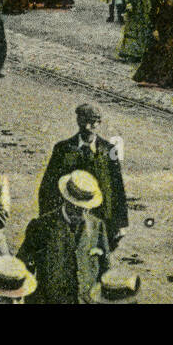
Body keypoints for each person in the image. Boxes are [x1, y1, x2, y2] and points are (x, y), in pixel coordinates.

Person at [37, 103, 129, 248]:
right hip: (68, 220)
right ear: (78, 121)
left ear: (99, 124)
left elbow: (117, 188)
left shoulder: (109, 150)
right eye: (84, 122)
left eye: (93, 123)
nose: (88, 127)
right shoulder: (63, 149)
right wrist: (45, 219)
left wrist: (121, 224)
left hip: (101, 221)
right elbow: (48, 187)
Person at [17, 170, 111, 304]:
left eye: (87, 209)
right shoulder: (41, 226)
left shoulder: (98, 226)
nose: (83, 215)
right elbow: (23, 267)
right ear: (67, 200)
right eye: (78, 209)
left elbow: (105, 269)